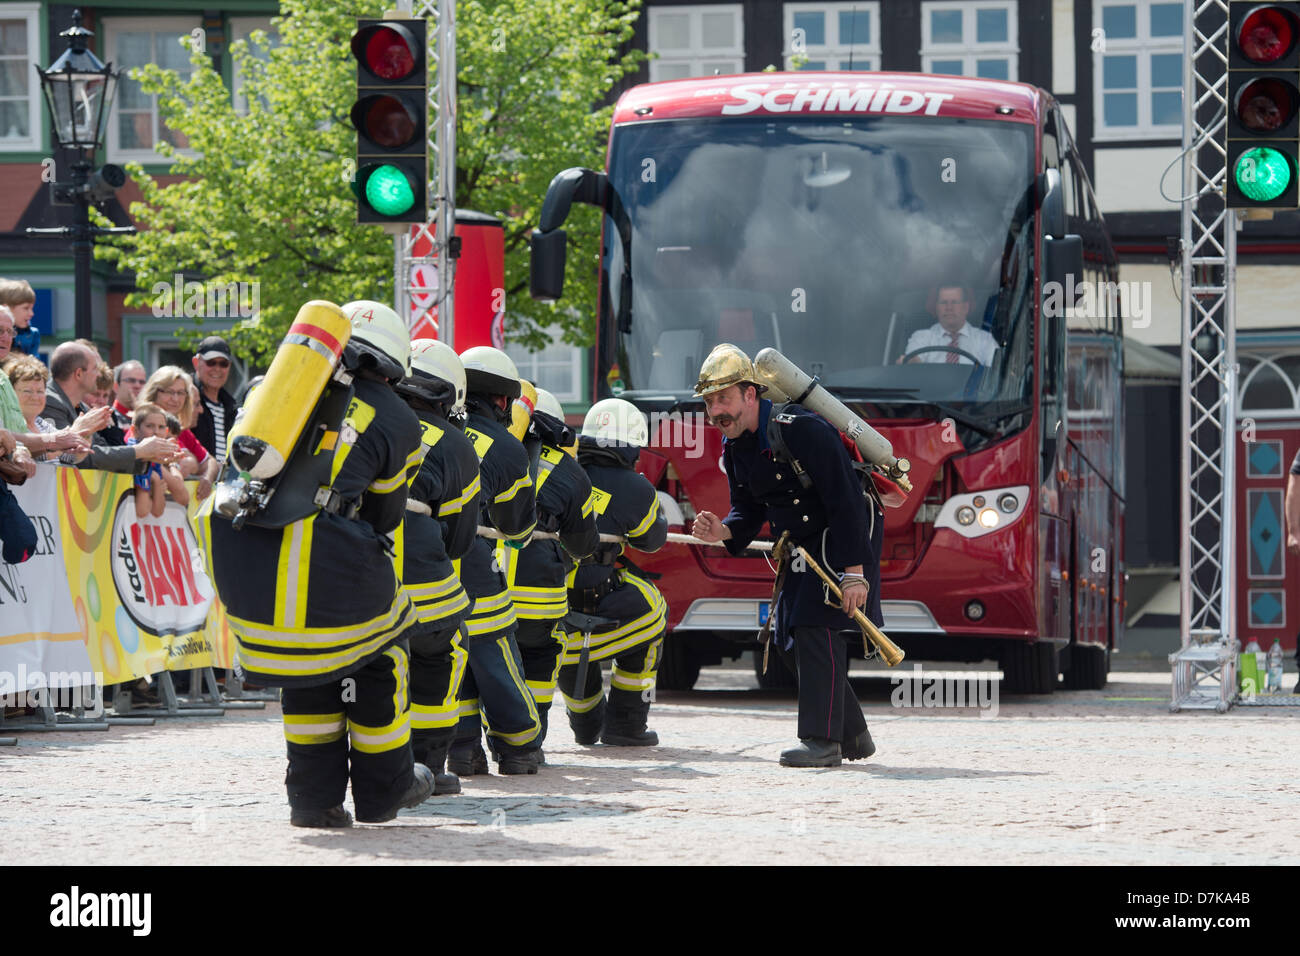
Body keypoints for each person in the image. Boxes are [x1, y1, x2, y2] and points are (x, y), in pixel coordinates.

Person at [198, 300, 434, 827]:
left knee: (308, 675)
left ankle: (312, 800)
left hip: (244, 572)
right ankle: (386, 790)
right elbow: (384, 516)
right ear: (394, 362)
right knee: (384, 649)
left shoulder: (268, 392)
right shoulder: (397, 418)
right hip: (322, 566)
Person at [691, 343, 882, 767]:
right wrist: (722, 530)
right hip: (798, 544)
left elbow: (845, 499)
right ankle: (853, 735)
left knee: (816, 628)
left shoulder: (803, 429)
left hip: (839, 536)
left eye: (724, 398)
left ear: (750, 395)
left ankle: (821, 741)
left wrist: (856, 573)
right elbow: (748, 509)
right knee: (787, 640)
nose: (715, 410)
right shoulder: (734, 446)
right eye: (709, 401)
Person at [447, 346, 542, 776]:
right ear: (504, 400)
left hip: (420, 559)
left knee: (447, 654)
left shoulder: (433, 427)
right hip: (473, 559)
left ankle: (462, 751)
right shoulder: (506, 447)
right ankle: (518, 746)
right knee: (496, 652)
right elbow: (518, 531)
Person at [392, 339, 481, 794]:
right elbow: (460, 536)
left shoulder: (361, 417)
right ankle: (430, 765)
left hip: (352, 577)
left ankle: (367, 767)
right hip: (424, 584)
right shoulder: (455, 443)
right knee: (443, 653)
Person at [559, 398, 668, 747]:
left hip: (550, 606)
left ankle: (585, 724)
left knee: (571, 651)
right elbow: (651, 540)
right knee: (653, 612)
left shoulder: (558, 471)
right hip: (600, 601)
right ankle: (626, 724)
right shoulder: (635, 487)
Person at [503, 387, 599, 755]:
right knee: (539, 661)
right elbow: (582, 545)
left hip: (487, 587)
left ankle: (467, 751)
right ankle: (529, 745)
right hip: (538, 597)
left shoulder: (487, 450)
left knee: (478, 663)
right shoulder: (571, 474)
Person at [43, 342, 175, 474]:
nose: (99, 375)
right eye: (95, 369)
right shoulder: (49, 402)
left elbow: (103, 449)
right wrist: (139, 451)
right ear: (78, 374)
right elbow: (77, 457)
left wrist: (146, 456)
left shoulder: (81, 406)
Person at [139, 367, 219, 500]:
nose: (175, 399)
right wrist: (188, 463)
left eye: (181, 393)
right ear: (154, 392)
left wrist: (207, 478)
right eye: (169, 392)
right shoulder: (141, 424)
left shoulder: (182, 431)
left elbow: (210, 461)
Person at [6, 355, 87, 465]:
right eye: (27, 391)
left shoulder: (42, 424)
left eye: (40, 391)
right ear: (11, 393)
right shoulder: (8, 422)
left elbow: (72, 457)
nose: (35, 397)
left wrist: (86, 431)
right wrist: (53, 446)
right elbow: (19, 449)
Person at [899, 283, 998, 366]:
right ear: (937, 308)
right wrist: (911, 362)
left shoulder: (985, 340)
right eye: (943, 302)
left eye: (954, 302)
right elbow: (913, 366)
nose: (949, 307)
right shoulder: (922, 337)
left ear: (965, 307)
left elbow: (996, 373)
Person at [129, 403, 189, 518]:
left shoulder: (155, 458)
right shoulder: (135, 454)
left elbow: (157, 512)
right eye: (149, 426)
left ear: (166, 432)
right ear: (135, 431)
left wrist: (156, 482)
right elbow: (142, 510)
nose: (156, 431)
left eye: (161, 427)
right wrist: (155, 480)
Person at [191, 335, 239, 461]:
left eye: (223, 364)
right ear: (196, 363)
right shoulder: (184, 396)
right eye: (211, 362)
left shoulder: (232, 407)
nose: (217, 369)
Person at [0, 279, 39, 360]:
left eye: (31, 308)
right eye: (26, 308)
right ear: (6, 308)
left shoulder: (32, 334)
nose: (31, 314)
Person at [111, 361, 147, 435]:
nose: (137, 385)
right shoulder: (108, 418)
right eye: (131, 380)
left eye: (142, 382)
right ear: (116, 387)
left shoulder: (151, 417)